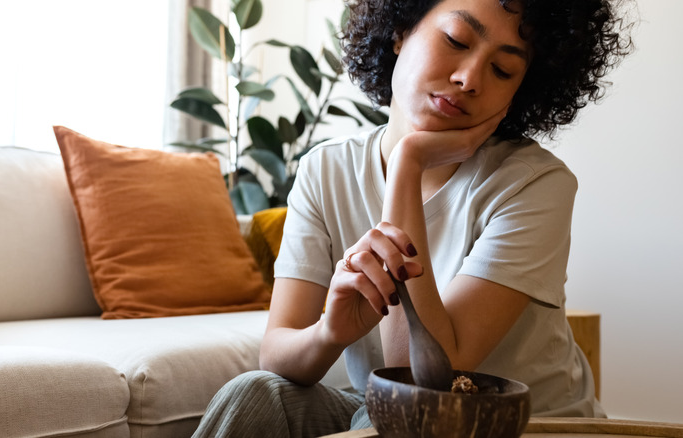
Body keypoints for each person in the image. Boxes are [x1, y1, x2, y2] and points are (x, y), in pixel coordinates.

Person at [193, 0, 632, 436]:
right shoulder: (325, 171)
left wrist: (408, 162)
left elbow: (423, 379)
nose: (469, 78)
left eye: (502, 71)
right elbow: (276, 354)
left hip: (529, 425)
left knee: (386, 419)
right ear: (400, 30)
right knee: (255, 394)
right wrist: (329, 331)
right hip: (389, 413)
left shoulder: (536, 184)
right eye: (456, 40)